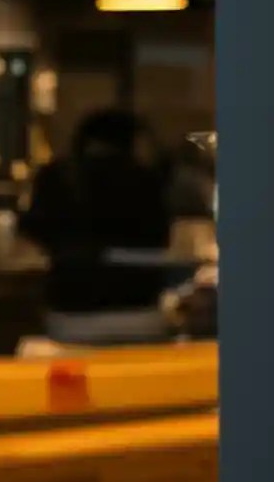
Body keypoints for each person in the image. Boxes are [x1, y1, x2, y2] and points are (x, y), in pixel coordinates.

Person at [19, 109, 172, 345]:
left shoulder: (56, 175)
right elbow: (161, 239)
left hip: (71, 315)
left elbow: (31, 230)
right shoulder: (148, 180)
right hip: (142, 312)